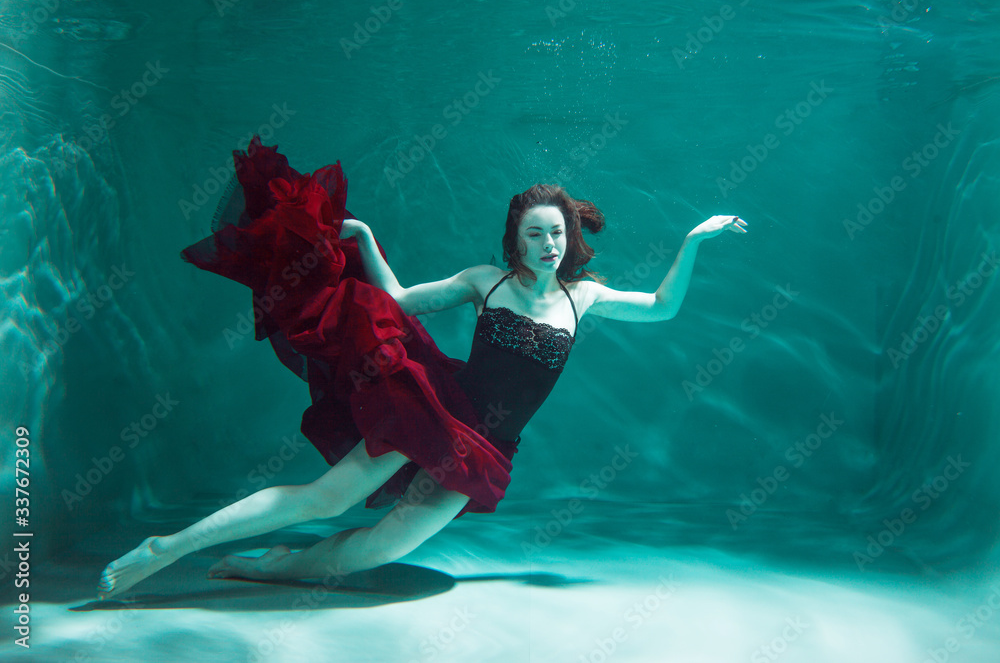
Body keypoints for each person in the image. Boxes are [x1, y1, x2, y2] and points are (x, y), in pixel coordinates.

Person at [97, 136, 746, 599]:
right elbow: (403, 300)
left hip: (489, 448)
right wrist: (364, 238)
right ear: (514, 241)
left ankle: (271, 568)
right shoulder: (485, 280)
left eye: (556, 235)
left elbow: (662, 307)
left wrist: (694, 238)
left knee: (380, 549)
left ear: (570, 237)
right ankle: (168, 547)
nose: (548, 247)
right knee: (327, 497)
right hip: (431, 406)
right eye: (534, 236)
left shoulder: (587, 295)